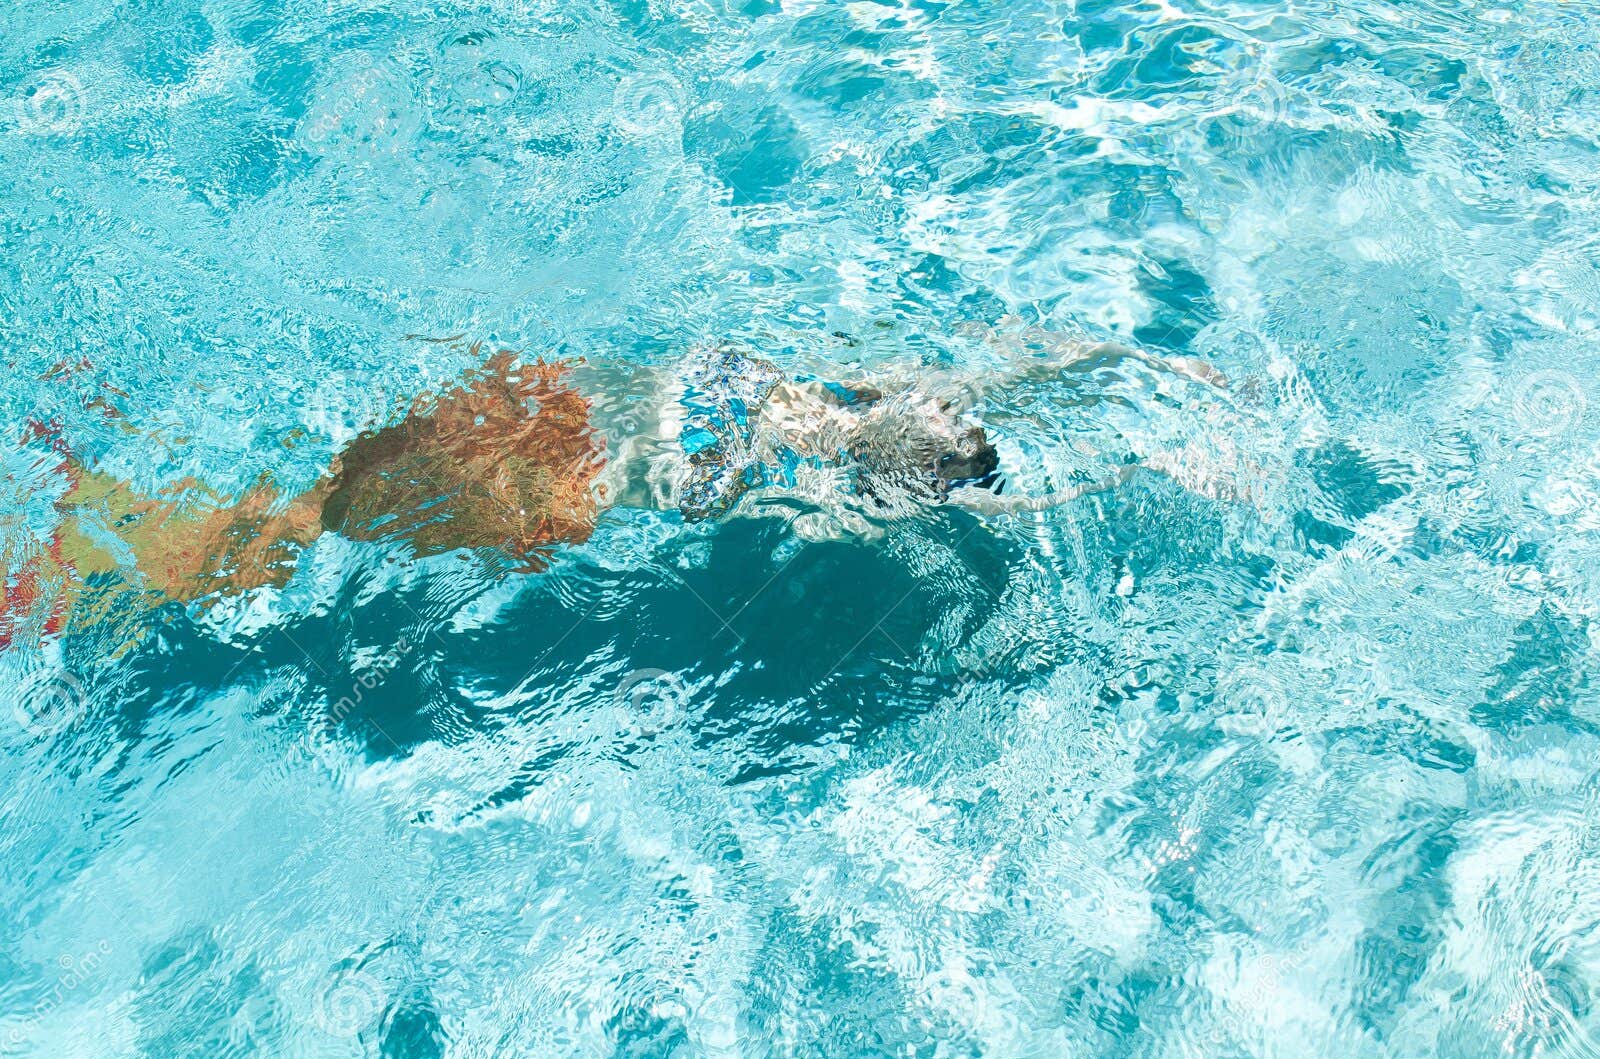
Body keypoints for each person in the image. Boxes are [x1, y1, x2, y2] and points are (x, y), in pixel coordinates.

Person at [1, 332, 1222, 648]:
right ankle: (81, 530)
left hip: (579, 414)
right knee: (295, 521)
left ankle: (85, 517)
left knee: (298, 512)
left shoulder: (826, 422)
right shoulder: (808, 466)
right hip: (579, 443)